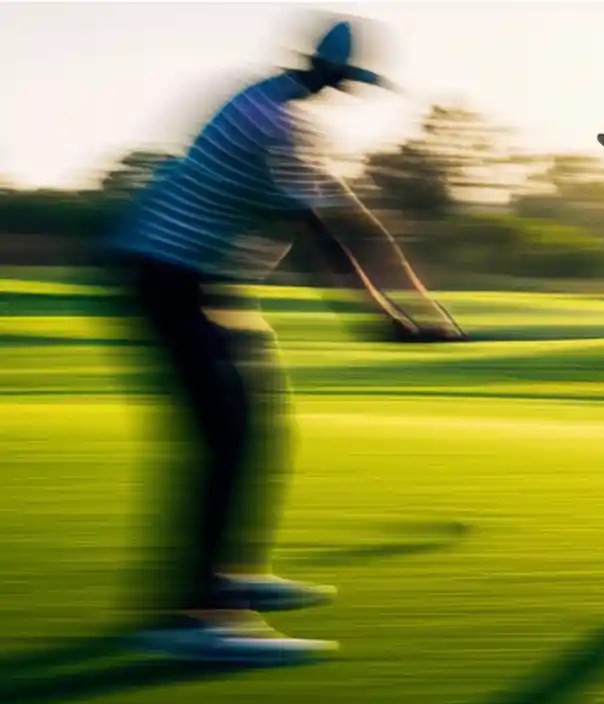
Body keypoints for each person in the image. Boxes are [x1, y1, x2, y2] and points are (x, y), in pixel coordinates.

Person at [112, 19, 457, 665]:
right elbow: (323, 237)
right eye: (342, 79)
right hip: (166, 278)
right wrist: (383, 319)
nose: (342, 91)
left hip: (202, 286)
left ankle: (227, 577)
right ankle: (196, 616)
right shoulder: (273, 125)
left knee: (255, 426)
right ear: (324, 71)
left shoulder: (278, 109)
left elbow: (357, 220)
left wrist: (425, 306)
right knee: (226, 438)